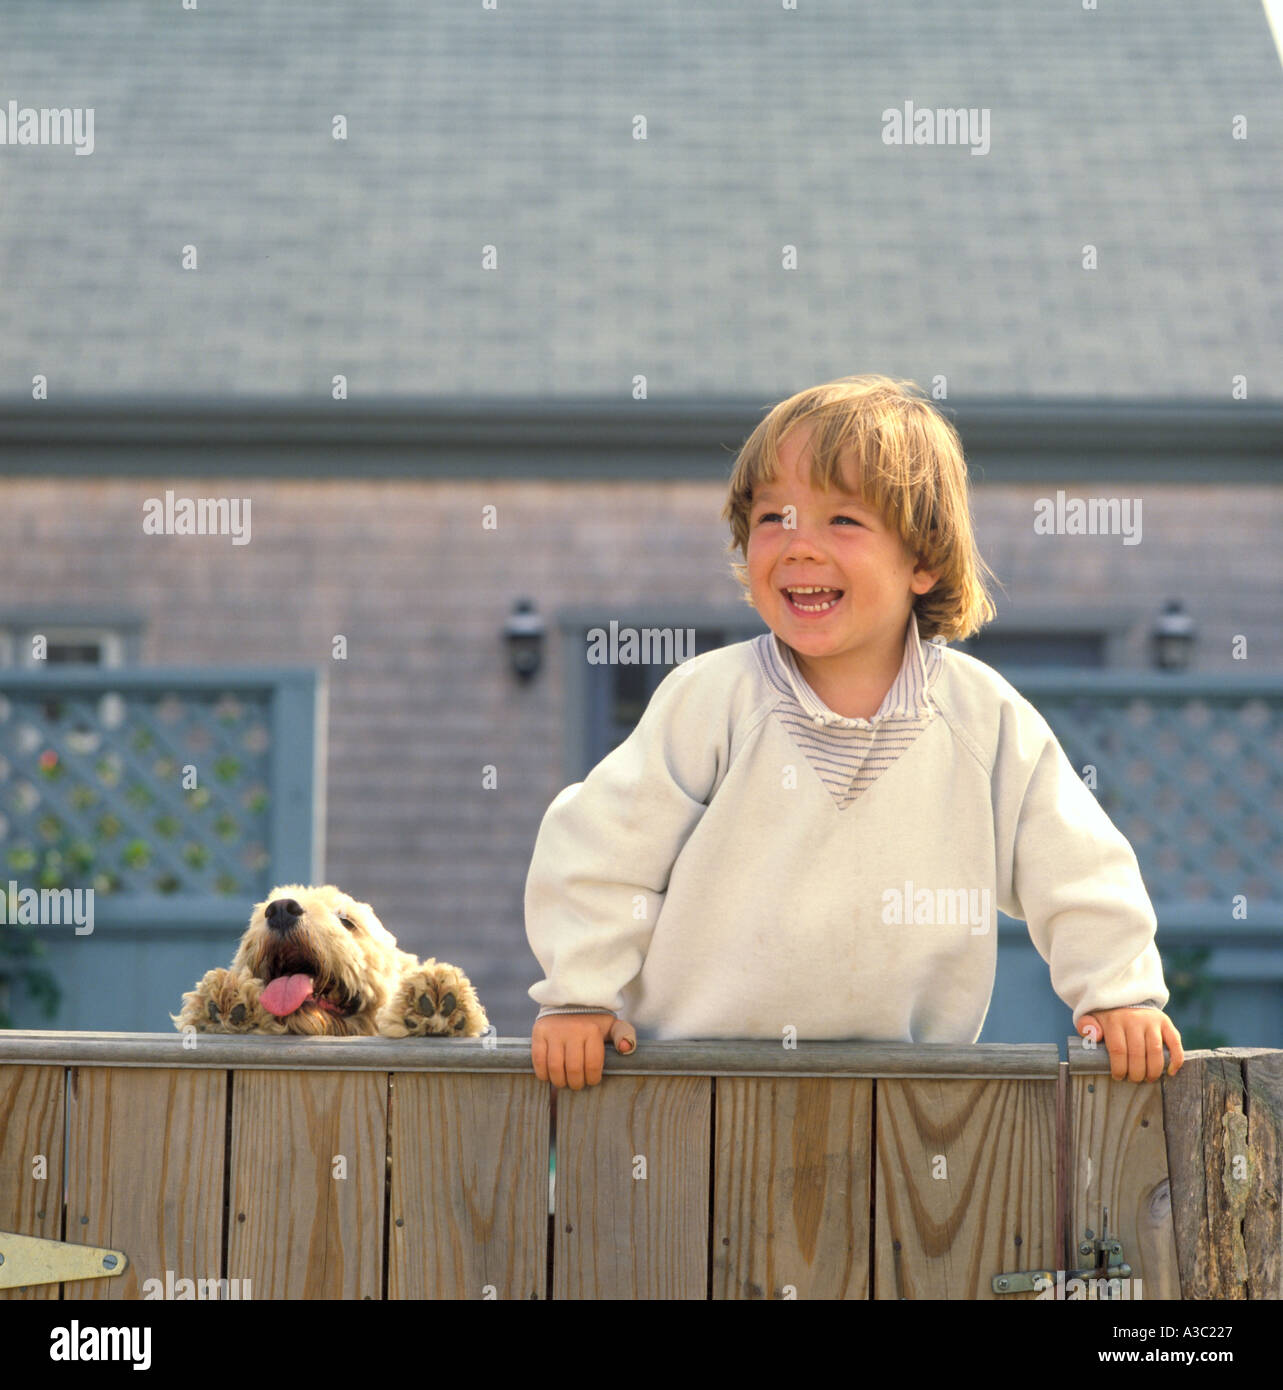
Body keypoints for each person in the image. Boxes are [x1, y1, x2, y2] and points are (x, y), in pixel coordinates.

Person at [525, 375, 1184, 1091]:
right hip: (694, 1082)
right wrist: (581, 993)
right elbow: (603, 848)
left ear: (922, 561)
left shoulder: (978, 718)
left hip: (908, 1092)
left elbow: (1075, 864)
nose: (798, 545)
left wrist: (1119, 992)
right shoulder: (710, 700)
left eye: (841, 520)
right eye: (773, 516)